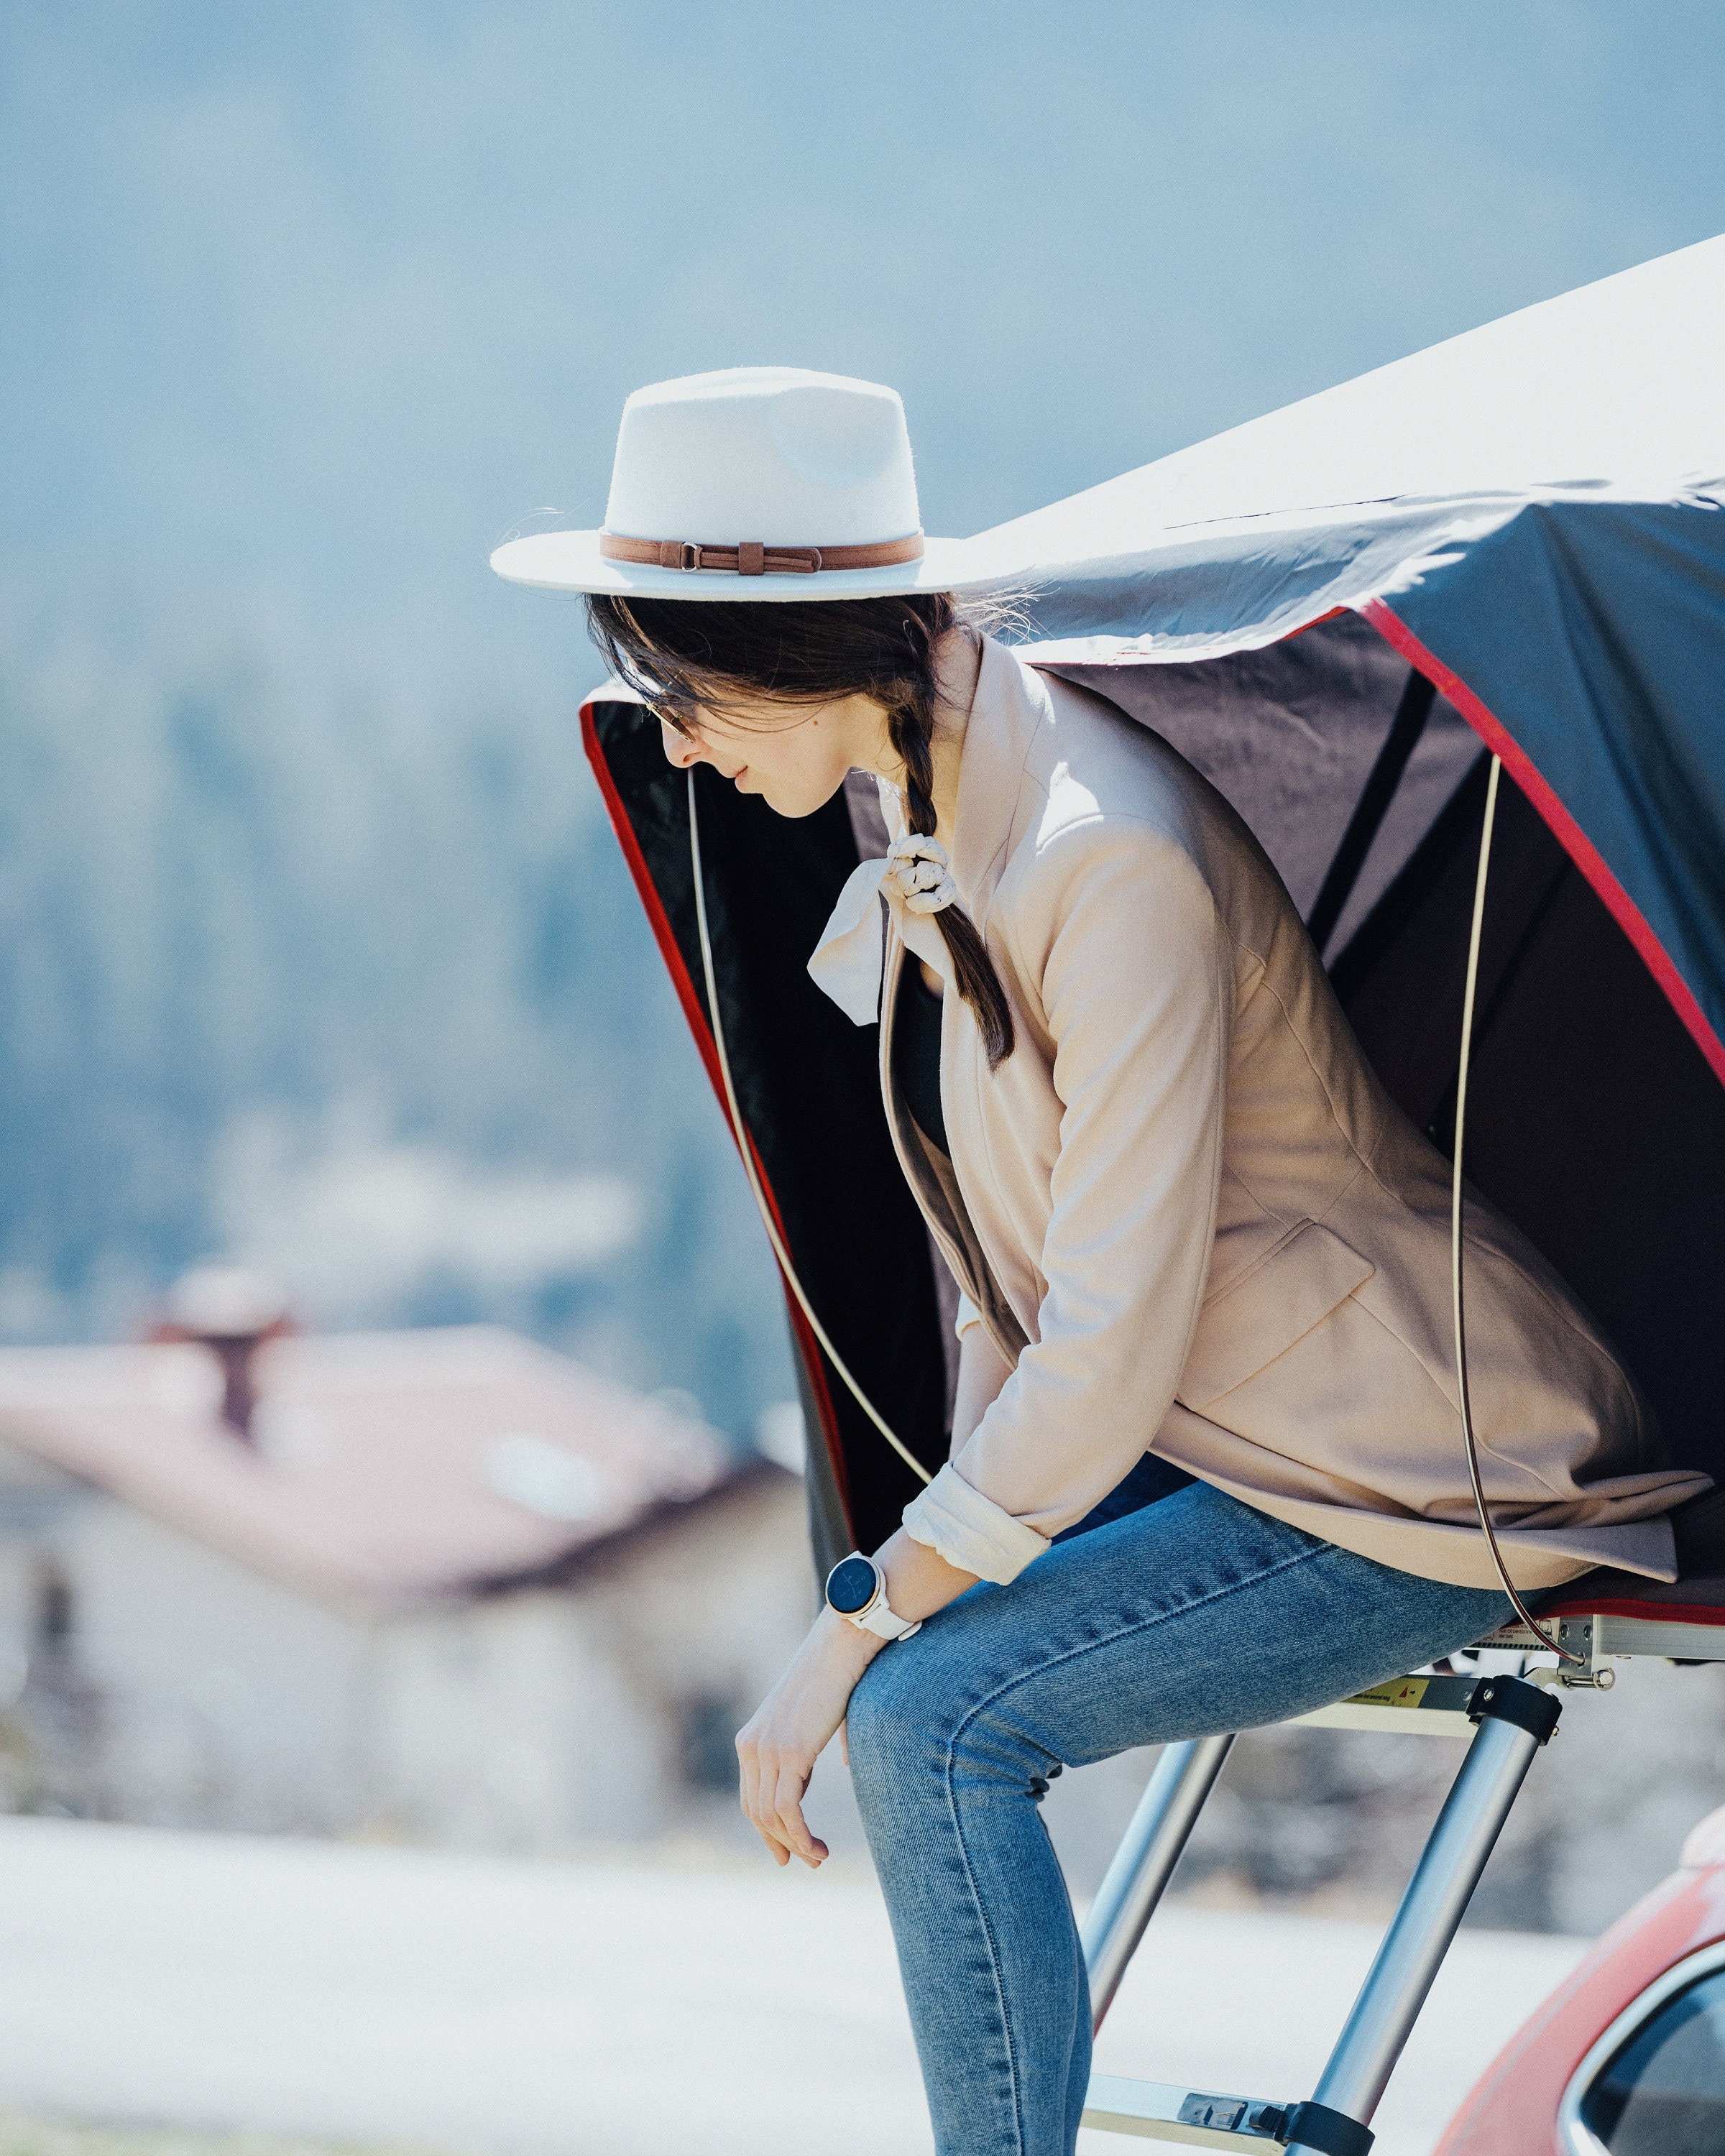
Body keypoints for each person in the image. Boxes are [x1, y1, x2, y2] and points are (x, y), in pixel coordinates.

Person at [494, 367, 1705, 2156]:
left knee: (929, 1728)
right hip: (1255, 1439)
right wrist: (921, 1571)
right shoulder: (925, 801)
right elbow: (1009, 1287)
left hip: (1420, 1466)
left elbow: (1105, 1346)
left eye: (689, 693)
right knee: (923, 1683)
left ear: (822, 643)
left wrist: (859, 1630)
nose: (675, 743)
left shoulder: (1096, 858)